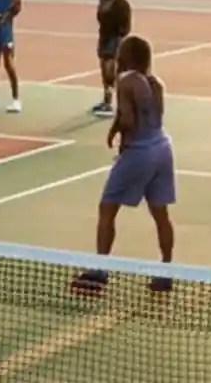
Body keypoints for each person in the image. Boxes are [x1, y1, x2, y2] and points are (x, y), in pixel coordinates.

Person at [72, 34, 176, 294]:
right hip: (163, 148)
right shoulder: (156, 83)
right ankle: (166, 271)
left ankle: (99, 271)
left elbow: (129, 120)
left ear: (126, 56)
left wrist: (119, 135)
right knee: (160, 214)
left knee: (107, 209)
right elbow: (151, 116)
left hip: (138, 152)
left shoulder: (125, 80)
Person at [93, 0, 132, 118]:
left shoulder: (121, 3)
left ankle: (116, 102)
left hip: (114, 39)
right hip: (104, 38)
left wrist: (119, 37)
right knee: (104, 69)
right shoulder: (102, 0)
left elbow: (126, 24)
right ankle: (106, 99)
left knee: (112, 71)